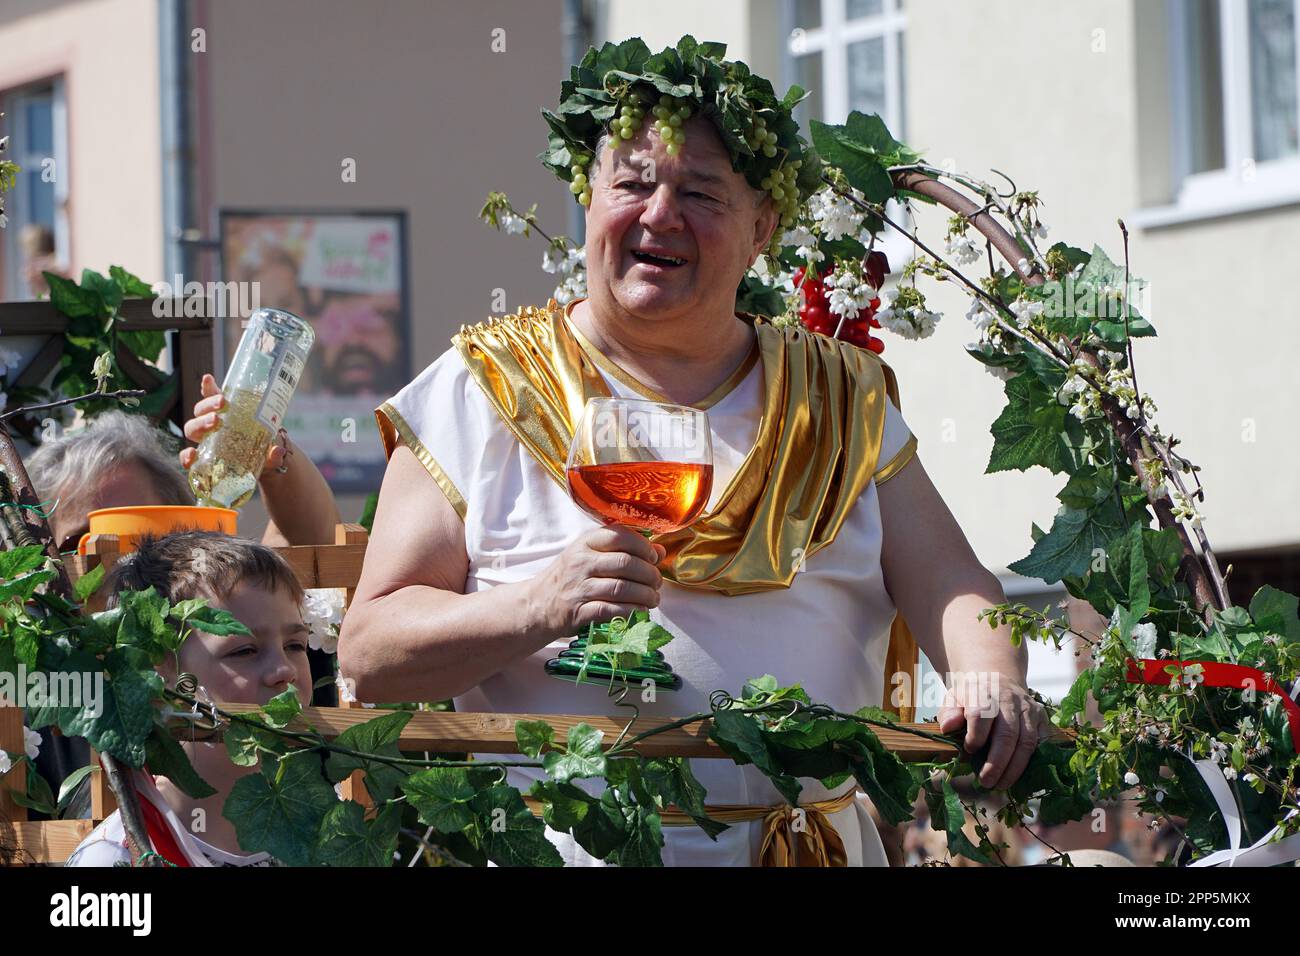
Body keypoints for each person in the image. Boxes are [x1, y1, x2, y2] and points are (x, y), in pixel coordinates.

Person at [340, 38, 1045, 867]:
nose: (659, 214)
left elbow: (955, 585)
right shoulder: (483, 386)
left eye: (701, 193)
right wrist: (534, 607)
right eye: (632, 184)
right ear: (589, 199)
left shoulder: (840, 396)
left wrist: (988, 672)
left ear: (763, 229)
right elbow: (370, 651)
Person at [64, 530, 312, 866]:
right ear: (159, 676)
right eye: (245, 650)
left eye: (295, 645)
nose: (284, 670)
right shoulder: (117, 856)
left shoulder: (326, 837)